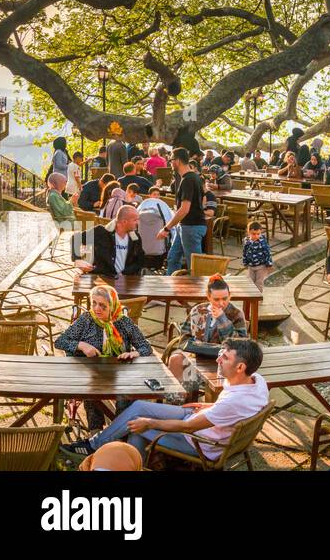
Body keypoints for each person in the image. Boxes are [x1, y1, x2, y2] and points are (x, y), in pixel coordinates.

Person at [64, 338, 267, 463]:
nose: (218, 359)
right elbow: (232, 411)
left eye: (225, 358)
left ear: (240, 367)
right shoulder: (257, 381)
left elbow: (186, 427)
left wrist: (150, 423)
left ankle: (96, 447)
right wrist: (208, 406)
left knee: (137, 426)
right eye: (221, 354)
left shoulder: (233, 402)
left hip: (200, 442)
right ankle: (113, 452)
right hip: (204, 421)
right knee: (139, 407)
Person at [55, 282, 154, 430]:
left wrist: (134, 353)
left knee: (126, 395)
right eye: (94, 303)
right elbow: (60, 341)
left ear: (112, 305)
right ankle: (95, 431)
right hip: (92, 371)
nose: (97, 309)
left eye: (103, 305)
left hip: (118, 373)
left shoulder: (124, 322)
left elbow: (146, 347)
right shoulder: (86, 319)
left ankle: (119, 430)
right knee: (91, 392)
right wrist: (82, 345)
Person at [167, 275, 248, 381]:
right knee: (175, 359)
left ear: (230, 295)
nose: (221, 303)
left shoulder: (236, 314)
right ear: (208, 296)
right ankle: (181, 396)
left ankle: (202, 392)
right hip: (196, 354)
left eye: (225, 298)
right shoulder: (197, 310)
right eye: (216, 299)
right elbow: (184, 337)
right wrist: (194, 347)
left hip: (223, 359)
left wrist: (222, 320)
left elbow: (241, 345)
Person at [161, 147, 209, 275]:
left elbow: (184, 209)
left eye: (171, 160)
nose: (170, 164)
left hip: (191, 227)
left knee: (194, 267)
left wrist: (166, 228)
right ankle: (171, 289)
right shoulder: (193, 177)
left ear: (177, 161)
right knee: (172, 259)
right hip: (185, 226)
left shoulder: (188, 180)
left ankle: (199, 293)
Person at [73, 205, 145, 277]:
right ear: (124, 222)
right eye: (135, 220)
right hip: (101, 279)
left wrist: (125, 273)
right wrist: (77, 260)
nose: (138, 223)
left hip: (126, 281)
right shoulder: (100, 232)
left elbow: (140, 261)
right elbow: (75, 238)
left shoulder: (135, 238)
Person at [241, 220, 274, 290]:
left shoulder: (262, 242)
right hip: (251, 266)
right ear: (248, 232)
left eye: (258, 234)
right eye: (253, 234)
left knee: (259, 283)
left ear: (261, 232)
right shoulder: (246, 241)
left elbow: (267, 252)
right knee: (250, 282)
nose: (256, 236)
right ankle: (251, 298)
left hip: (261, 266)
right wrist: (245, 262)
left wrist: (269, 264)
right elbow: (244, 252)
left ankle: (258, 300)